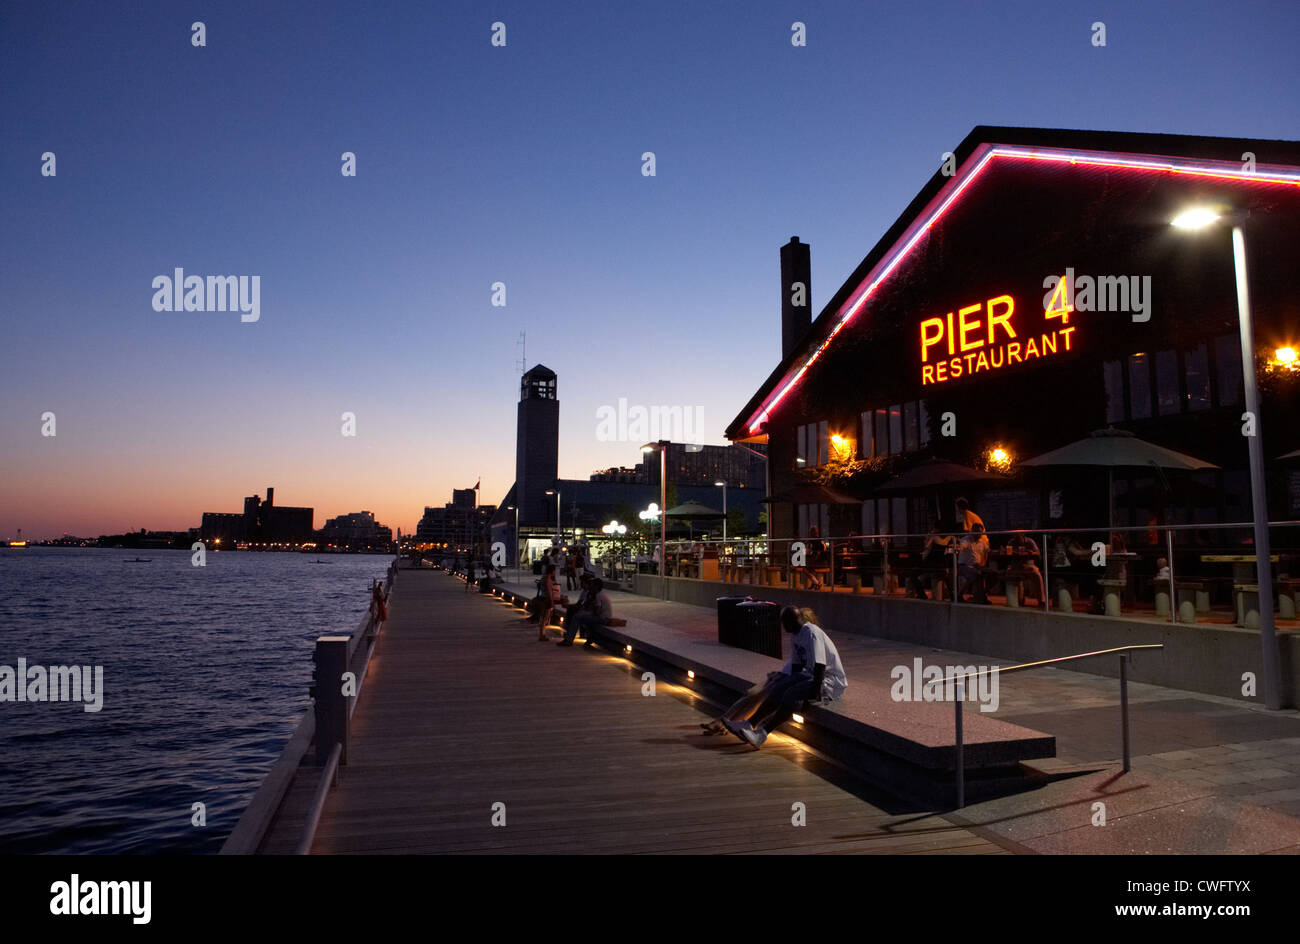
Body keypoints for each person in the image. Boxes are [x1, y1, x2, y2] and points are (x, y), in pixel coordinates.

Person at [720, 606, 847, 749]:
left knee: (790, 694)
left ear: (792, 621)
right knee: (779, 687)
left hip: (829, 681)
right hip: (811, 675)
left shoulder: (812, 633)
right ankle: (750, 723)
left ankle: (762, 734)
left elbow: (820, 665)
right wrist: (790, 681)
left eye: (784, 623)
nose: (783, 626)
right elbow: (797, 665)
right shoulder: (795, 634)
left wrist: (811, 694)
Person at [558, 578, 612, 648]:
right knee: (580, 616)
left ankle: (569, 639)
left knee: (577, 617)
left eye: (592, 586)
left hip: (603, 618)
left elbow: (597, 611)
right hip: (603, 617)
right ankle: (574, 637)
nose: (591, 587)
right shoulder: (599, 594)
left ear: (596, 586)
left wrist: (587, 613)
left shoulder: (598, 595)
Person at [955, 522, 991, 603]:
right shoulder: (966, 540)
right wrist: (958, 546)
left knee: (993, 575)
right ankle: (960, 595)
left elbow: (988, 551)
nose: (979, 535)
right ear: (972, 531)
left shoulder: (982, 542)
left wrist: (983, 563)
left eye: (980, 533)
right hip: (964, 565)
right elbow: (962, 546)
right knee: (976, 574)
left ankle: (981, 595)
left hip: (977, 565)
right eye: (977, 532)